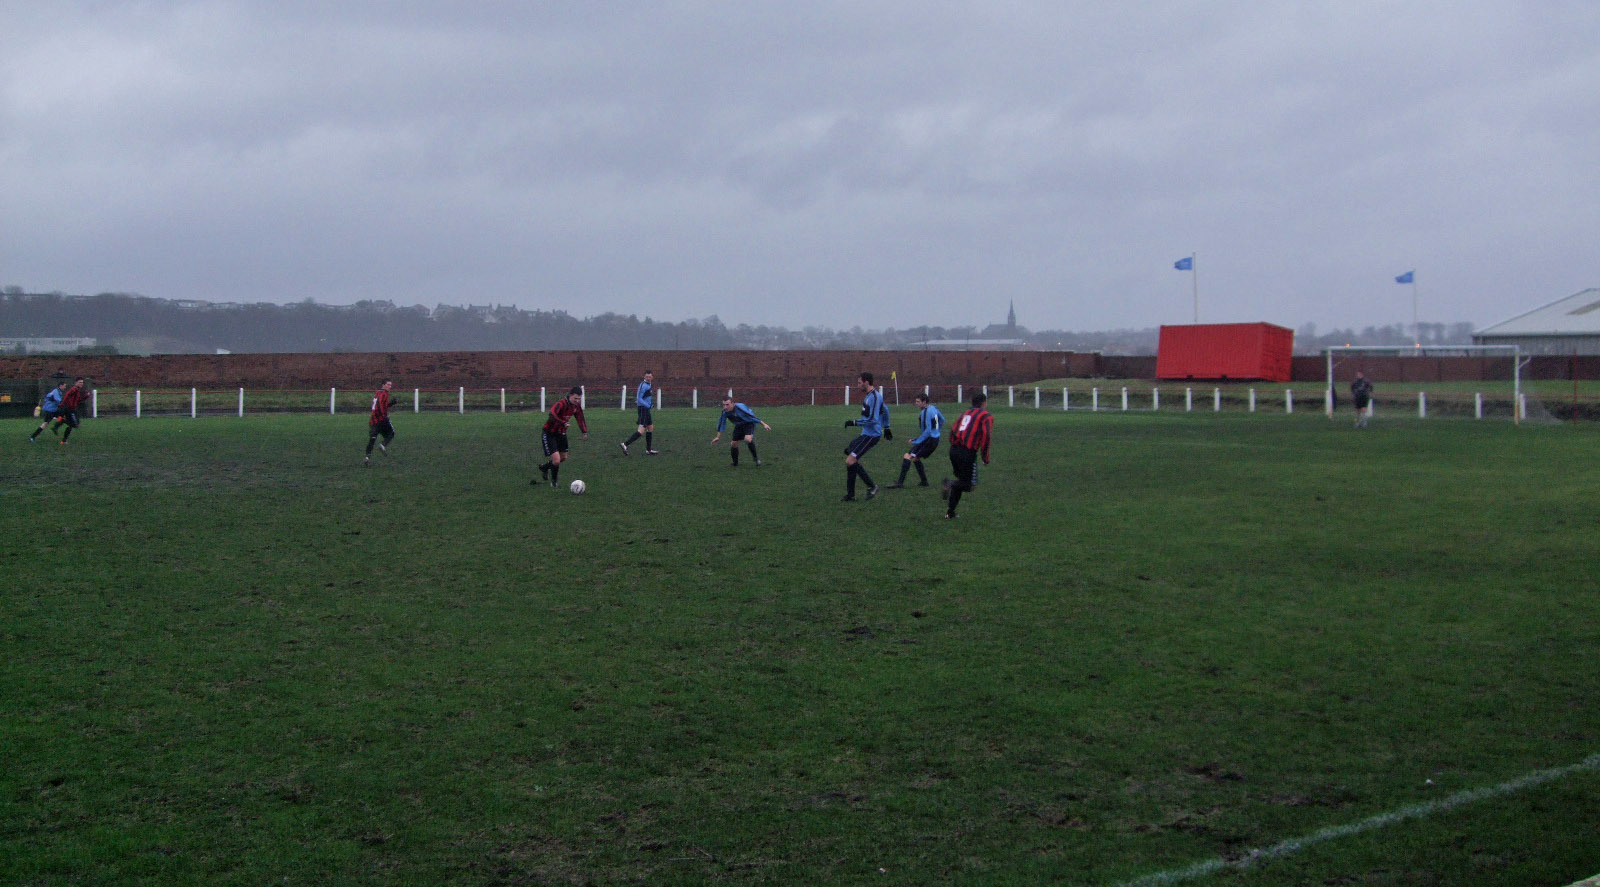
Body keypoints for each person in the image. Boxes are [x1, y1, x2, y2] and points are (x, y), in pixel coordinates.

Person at [942, 391, 993, 519]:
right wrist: (985, 457)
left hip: (954, 450)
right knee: (969, 485)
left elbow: (953, 429)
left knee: (961, 482)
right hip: (967, 452)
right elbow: (986, 436)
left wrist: (954, 446)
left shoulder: (964, 413)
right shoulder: (985, 416)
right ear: (984, 403)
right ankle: (950, 484)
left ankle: (950, 513)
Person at [841, 371, 891, 501]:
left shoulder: (874, 396)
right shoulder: (870, 396)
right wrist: (887, 427)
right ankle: (851, 495)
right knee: (850, 455)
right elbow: (885, 410)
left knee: (850, 461)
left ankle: (871, 487)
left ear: (866, 382)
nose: (858, 385)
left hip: (872, 435)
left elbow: (872, 420)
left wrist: (854, 422)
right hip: (866, 434)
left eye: (859, 383)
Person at [887, 393, 943, 488]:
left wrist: (917, 441)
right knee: (916, 458)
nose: (916, 403)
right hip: (934, 439)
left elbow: (928, 430)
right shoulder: (934, 408)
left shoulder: (925, 412)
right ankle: (924, 482)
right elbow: (942, 420)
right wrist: (937, 432)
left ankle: (900, 483)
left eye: (918, 402)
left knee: (907, 456)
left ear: (924, 402)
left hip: (929, 440)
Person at [536, 386, 588, 487]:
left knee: (563, 457)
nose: (577, 401)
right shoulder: (561, 404)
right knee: (556, 460)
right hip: (549, 433)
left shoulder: (576, 407)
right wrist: (562, 422)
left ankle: (545, 467)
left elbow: (580, 418)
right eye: (575, 398)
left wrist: (584, 431)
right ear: (570, 395)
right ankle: (554, 482)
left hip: (561, 434)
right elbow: (552, 414)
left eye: (579, 399)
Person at [711, 397, 770, 466]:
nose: (725, 407)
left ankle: (756, 459)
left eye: (727, 404)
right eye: (724, 405)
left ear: (733, 403)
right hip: (739, 426)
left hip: (749, 423)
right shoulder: (725, 412)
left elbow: (752, 417)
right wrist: (718, 437)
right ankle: (735, 463)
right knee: (733, 444)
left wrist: (764, 424)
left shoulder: (740, 408)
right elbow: (722, 423)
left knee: (748, 439)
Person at [620, 371, 658, 455]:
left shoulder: (649, 385)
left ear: (652, 377)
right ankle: (625, 444)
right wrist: (648, 406)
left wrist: (650, 404)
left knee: (650, 428)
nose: (648, 378)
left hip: (646, 409)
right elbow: (639, 399)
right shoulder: (643, 385)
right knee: (641, 430)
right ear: (644, 377)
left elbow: (647, 397)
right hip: (643, 409)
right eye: (647, 377)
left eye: (649, 376)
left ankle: (648, 450)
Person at [364, 380, 397, 465]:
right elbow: (380, 406)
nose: (390, 386)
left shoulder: (378, 392)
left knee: (372, 439)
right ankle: (383, 445)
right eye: (388, 385)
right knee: (391, 432)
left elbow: (380, 405)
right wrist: (384, 416)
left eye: (390, 385)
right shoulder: (384, 394)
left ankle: (367, 457)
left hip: (373, 420)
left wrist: (391, 404)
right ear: (383, 385)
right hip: (381, 419)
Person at [53, 378, 88, 444]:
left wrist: (85, 397)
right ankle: (58, 425)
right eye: (80, 382)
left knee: (71, 425)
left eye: (82, 382)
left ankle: (63, 440)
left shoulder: (77, 390)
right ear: (76, 383)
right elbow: (67, 395)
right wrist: (62, 404)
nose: (81, 384)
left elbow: (78, 401)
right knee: (75, 424)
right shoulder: (74, 389)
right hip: (70, 409)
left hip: (73, 409)